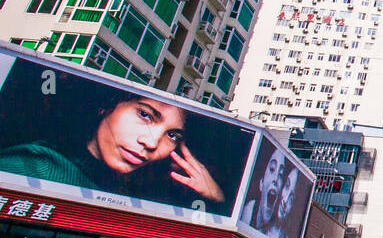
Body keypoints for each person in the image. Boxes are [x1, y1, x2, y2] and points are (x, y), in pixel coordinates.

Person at [0, 90, 226, 205]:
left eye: (173, 135)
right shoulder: (37, 168)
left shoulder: (126, 191)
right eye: (145, 115)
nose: (151, 143)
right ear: (107, 106)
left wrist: (215, 198)